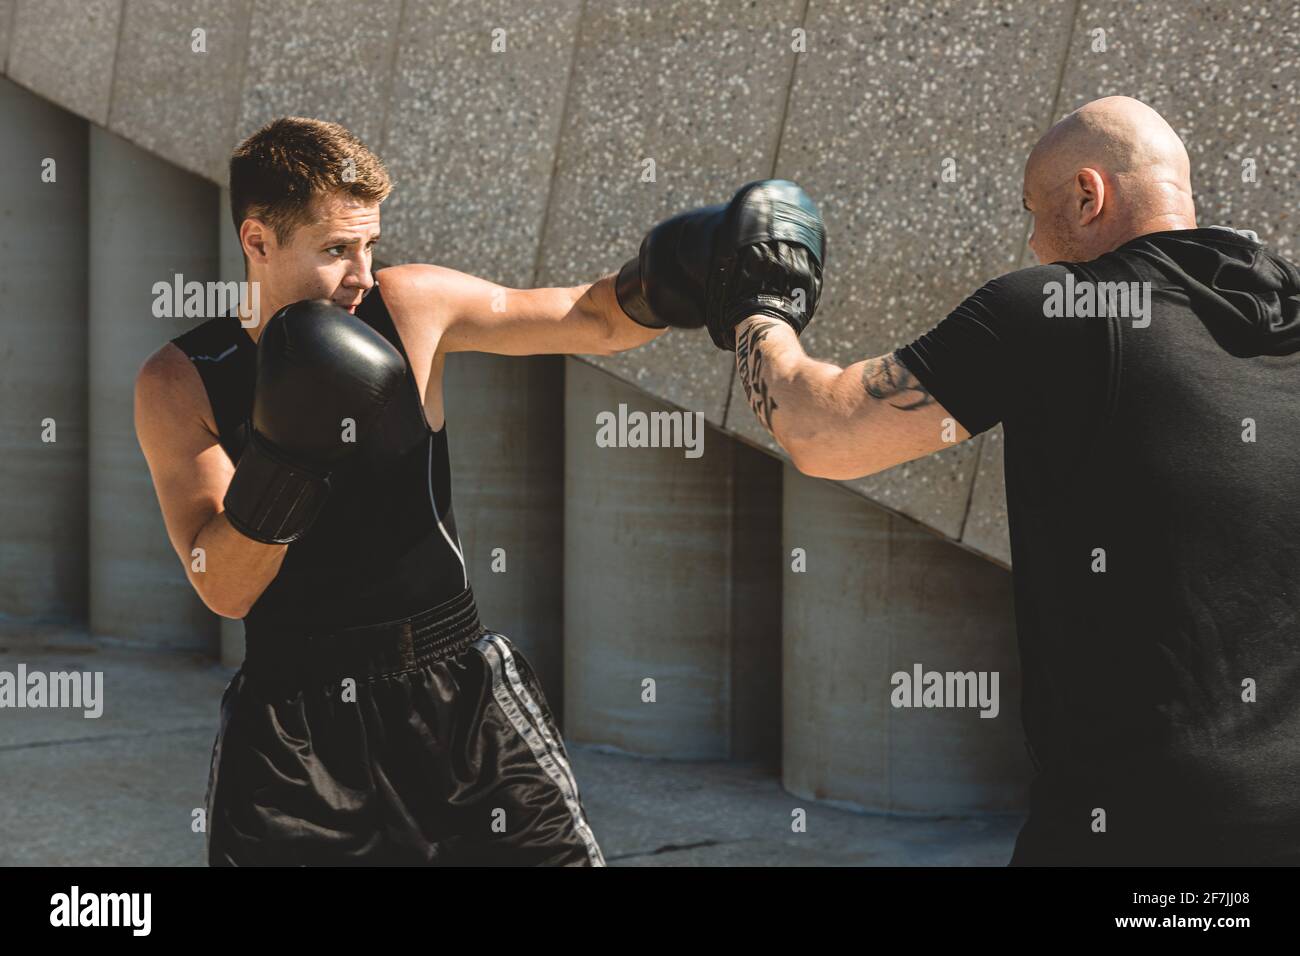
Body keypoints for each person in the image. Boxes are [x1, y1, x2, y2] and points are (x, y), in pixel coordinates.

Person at [133, 116, 781, 865]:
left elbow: (593, 318)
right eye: (337, 250)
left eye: (370, 244)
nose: (363, 274)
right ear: (257, 241)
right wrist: (287, 460)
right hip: (295, 729)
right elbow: (223, 587)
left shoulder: (410, 308)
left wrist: (686, 273)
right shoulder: (182, 379)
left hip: (455, 699)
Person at [692, 95, 1300, 865]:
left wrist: (757, 310)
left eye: (1035, 213)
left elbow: (826, 433)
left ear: (1089, 195)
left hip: (1148, 831)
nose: (1033, 242)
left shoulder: (1062, 309)